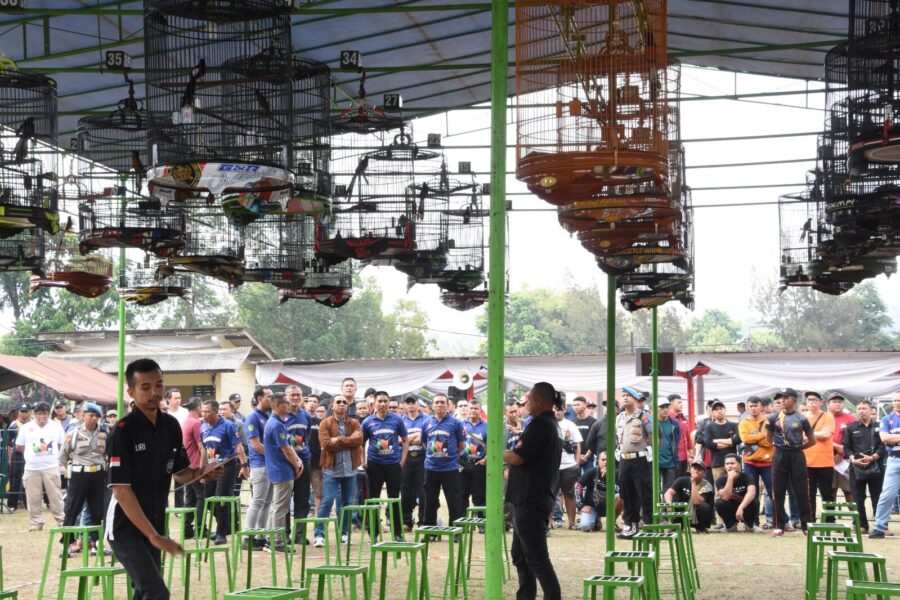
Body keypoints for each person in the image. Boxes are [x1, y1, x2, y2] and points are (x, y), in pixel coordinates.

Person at [106, 358, 222, 600]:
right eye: (145, 387)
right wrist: (152, 536)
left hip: (156, 521)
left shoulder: (171, 426)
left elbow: (180, 474)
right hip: (125, 527)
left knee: (145, 593)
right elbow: (121, 491)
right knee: (156, 592)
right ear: (131, 392)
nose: (154, 392)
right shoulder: (123, 430)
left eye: (158, 385)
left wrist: (203, 472)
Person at [503, 382, 563, 600]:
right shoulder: (547, 424)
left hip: (531, 499)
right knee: (520, 555)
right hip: (529, 498)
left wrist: (497, 451)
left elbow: (517, 457)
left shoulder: (540, 425)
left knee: (537, 558)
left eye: (527, 400)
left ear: (538, 400)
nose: (524, 405)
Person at [59, 402, 109, 553]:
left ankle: (95, 543)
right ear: (83, 415)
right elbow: (63, 456)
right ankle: (67, 543)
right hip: (80, 475)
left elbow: (108, 453)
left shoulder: (105, 433)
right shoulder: (73, 434)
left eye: (96, 416)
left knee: (98, 511)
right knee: (72, 509)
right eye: (91, 415)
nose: (94, 419)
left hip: (98, 475)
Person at [315, 393, 363, 546]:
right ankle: (319, 535)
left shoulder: (354, 422)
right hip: (331, 469)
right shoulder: (325, 423)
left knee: (347, 503)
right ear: (332, 405)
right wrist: (349, 441)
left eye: (344, 402)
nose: (342, 404)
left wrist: (340, 439)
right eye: (338, 402)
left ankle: (344, 534)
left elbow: (359, 440)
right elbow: (327, 444)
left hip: (350, 469)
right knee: (327, 501)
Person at [767, 387, 815, 536]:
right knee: (778, 491)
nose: (782, 400)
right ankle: (779, 525)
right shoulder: (773, 417)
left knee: (801, 491)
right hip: (779, 455)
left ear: (794, 399)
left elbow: (812, 440)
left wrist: (798, 448)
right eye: (781, 397)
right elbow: (768, 438)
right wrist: (779, 446)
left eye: (786, 397)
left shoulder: (801, 418)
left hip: (797, 456)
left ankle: (806, 526)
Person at [199, 399, 249, 545]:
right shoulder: (202, 427)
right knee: (207, 499)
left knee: (221, 499)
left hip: (226, 466)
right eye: (203, 411)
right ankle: (225, 525)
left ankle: (221, 533)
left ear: (215, 412)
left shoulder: (228, 426)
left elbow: (238, 447)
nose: (204, 414)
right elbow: (203, 449)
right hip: (210, 468)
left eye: (207, 411)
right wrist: (202, 471)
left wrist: (244, 465)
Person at [362, 390, 409, 539]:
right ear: (374, 403)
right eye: (379, 401)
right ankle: (373, 533)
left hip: (393, 465)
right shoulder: (367, 422)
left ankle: (397, 533)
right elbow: (361, 443)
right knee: (373, 499)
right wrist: (362, 461)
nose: (382, 404)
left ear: (389, 403)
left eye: (385, 401)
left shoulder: (397, 419)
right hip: (374, 465)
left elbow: (405, 440)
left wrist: (402, 461)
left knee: (394, 499)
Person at [16, 401, 65, 531]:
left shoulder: (56, 426)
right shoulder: (26, 427)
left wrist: (56, 459)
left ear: (48, 414)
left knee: (55, 495)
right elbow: (20, 446)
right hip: (32, 468)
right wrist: (31, 455)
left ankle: (61, 521)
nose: (42, 416)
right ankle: (36, 523)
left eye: (44, 413)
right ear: (34, 414)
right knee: (33, 497)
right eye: (39, 413)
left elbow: (61, 445)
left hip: (51, 466)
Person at [263, 393, 303, 552]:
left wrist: (297, 459)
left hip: (276, 470)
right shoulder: (277, 424)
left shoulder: (274, 422)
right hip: (282, 470)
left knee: (276, 507)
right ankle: (277, 542)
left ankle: (269, 539)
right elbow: (286, 449)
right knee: (280, 508)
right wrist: (296, 466)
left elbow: (288, 447)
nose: (289, 405)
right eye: (286, 403)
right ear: (279, 405)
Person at [422, 394, 466, 528]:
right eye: (437, 402)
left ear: (448, 405)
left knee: (454, 501)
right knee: (430, 501)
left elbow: (461, 444)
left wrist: (453, 456)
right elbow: (425, 443)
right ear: (432, 406)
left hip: (450, 468)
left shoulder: (456, 423)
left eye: (442, 402)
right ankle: (430, 529)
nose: (439, 405)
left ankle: (456, 529)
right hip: (431, 468)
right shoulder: (426, 422)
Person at [842, 399, 884, 535]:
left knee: (878, 496)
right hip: (856, 467)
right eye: (859, 408)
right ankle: (861, 525)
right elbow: (846, 447)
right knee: (857, 497)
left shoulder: (879, 426)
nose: (861, 411)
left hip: (876, 466)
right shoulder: (850, 427)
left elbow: (883, 446)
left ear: (871, 410)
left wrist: (873, 457)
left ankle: (880, 525)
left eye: (864, 408)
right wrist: (853, 460)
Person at [615, 386, 653, 538]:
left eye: (628, 396)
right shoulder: (619, 417)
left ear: (636, 399)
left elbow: (655, 435)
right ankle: (631, 525)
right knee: (626, 494)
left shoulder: (644, 416)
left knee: (644, 493)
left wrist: (650, 451)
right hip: (624, 459)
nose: (625, 398)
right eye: (623, 395)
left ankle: (649, 525)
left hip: (640, 459)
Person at [738, 396, 775, 530]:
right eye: (751, 406)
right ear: (747, 407)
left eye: (756, 406)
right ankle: (753, 522)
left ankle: (778, 521)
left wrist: (756, 439)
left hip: (768, 462)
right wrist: (761, 436)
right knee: (751, 493)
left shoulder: (769, 421)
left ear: (761, 407)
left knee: (773, 492)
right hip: (750, 463)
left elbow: (769, 441)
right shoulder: (743, 422)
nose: (753, 408)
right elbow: (745, 438)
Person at [244, 387, 273, 549]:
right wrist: (274, 456)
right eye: (269, 396)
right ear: (260, 398)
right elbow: (255, 445)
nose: (272, 399)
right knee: (257, 501)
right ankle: (248, 537)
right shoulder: (253, 417)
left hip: (270, 465)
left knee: (267, 502)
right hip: (260, 465)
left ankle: (260, 536)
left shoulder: (268, 416)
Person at [284, 385, 312, 544]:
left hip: (304, 460)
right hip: (287, 463)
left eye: (298, 395)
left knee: (303, 499)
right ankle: (285, 533)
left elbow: (306, 435)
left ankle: (299, 534)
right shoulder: (282, 416)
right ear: (286, 396)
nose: (295, 398)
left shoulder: (306, 416)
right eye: (292, 395)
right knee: (285, 499)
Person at [870, 391, 900, 539]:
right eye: (894, 400)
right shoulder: (887, 419)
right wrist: (891, 439)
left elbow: (890, 438)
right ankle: (879, 527)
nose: (896, 403)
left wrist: (894, 439)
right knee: (887, 495)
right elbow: (884, 438)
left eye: (899, 400)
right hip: (894, 460)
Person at [803, 391, 836, 522]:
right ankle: (810, 520)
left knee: (827, 493)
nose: (811, 402)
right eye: (809, 400)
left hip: (825, 462)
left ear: (821, 402)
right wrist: (818, 433)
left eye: (815, 399)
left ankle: (829, 520)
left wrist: (808, 434)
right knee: (809, 494)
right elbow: (799, 436)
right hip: (807, 461)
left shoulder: (828, 416)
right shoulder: (802, 417)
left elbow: (827, 435)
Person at [574, 451, 623, 532]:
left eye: (608, 460)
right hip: (592, 506)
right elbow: (577, 487)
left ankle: (612, 522)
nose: (605, 462)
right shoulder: (591, 472)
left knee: (621, 496)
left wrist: (608, 477)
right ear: (598, 461)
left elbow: (625, 491)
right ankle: (596, 521)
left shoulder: (618, 473)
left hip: (610, 506)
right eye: (603, 460)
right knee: (585, 526)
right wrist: (581, 506)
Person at [552, 402, 582, 529]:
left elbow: (578, 444)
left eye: (559, 409)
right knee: (550, 494)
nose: (557, 412)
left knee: (569, 494)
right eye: (555, 409)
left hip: (569, 465)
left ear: (565, 410)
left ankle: (572, 523)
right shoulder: (548, 424)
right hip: (552, 466)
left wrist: (577, 463)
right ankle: (549, 523)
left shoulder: (571, 425)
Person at [180, 397, 206, 539]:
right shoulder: (196, 423)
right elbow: (202, 447)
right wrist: (202, 470)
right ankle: (201, 528)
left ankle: (186, 528)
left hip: (187, 466)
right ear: (198, 407)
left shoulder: (185, 422)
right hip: (195, 466)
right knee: (201, 497)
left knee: (189, 498)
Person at [401, 395, 428, 532]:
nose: (411, 405)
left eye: (413, 402)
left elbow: (423, 439)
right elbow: (399, 440)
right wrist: (412, 438)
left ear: (418, 404)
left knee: (423, 490)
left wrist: (407, 439)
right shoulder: (401, 420)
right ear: (405, 405)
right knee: (405, 490)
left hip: (422, 458)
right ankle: (406, 521)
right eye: (408, 403)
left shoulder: (426, 419)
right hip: (406, 458)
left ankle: (423, 520)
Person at [665, 461, 715, 533]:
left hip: (697, 515)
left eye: (699, 469)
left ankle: (700, 527)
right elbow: (668, 493)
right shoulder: (681, 480)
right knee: (671, 502)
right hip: (683, 512)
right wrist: (669, 504)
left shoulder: (707, 485)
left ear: (704, 474)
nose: (696, 471)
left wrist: (693, 482)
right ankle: (677, 525)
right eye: (694, 468)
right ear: (690, 470)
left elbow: (697, 501)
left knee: (704, 506)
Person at [714, 453, 758, 532]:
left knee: (754, 501)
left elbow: (752, 493)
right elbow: (725, 497)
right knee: (719, 503)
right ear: (724, 466)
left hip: (744, 507)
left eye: (732, 463)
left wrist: (741, 508)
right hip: (731, 508)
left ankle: (749, 526)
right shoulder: (720, 480)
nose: (729, 466)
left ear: (739, 464)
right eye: (727, 464)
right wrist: (730, 478)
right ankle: (731, 526)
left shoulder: (747, 476)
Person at [700, 400, 740, 484]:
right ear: (712, 413)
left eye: (721, 408)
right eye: (716, 409)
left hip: (733, 463)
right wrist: (730, 443)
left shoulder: (733, 425)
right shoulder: (709, 427)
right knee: (719, 492)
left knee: (736, 490)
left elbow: (737, 440)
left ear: (725, 410)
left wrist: (717, 440)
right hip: (717, 463)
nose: (719, 411)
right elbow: (709, 443)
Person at [460, 398, 487, 516]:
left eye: (476, 408)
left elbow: (491, 445)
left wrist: (485, 459)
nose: (473, 411)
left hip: (479, 463)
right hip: (463, 463)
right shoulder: (460, 425)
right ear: (467, 410)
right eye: (471, 408)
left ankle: (480, 521)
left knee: (479, 494)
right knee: (462, 494)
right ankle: (462, 521)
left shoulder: (487, 426)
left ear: (480, 410)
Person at [828, 393, 856, 504]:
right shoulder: (824, 418)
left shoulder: (851, 419)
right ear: (828, 404)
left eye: (840, 402)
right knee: (830, 490)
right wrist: (835, 447)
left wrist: (842, 452)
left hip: (846, 460)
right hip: (827, 459)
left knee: (849, 490)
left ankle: (855, 519)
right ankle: (831, 519)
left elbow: (854, 439)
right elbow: (820, 438)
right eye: (834, 402)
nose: (838, 404)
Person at [6, 404, 31, 511]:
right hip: (17, 455)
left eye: (26, 411)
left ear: (29, 412)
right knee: (14, 479)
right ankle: (12, 504)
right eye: (22, 411)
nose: (24, 414)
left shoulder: (32, 424)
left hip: (30, 454)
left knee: (29, 479)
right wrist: (10, 455)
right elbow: (8, 441)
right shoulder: (13, 425)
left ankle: (28, 504)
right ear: (18, 412)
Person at [657, 399, 681, 492]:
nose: (665, 409)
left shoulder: (674, 423)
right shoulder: (651, 422)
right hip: (655, 461)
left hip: (670, 461)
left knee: (669, 490)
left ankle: (668, 507)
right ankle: (655, 507)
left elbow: (677, 440)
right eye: (662, 407)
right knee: (655, 489)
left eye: (667, 407)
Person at [570, 396, 596, 471]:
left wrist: (587, 456)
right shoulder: (571, 423)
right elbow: (570, 441)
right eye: (574, 405)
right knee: (574, 482)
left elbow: (594, 441)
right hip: (574, 458)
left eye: (578, 405)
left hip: (589, 458)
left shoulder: (594, 422)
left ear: (585, 405)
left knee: (589, 481)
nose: (576, 407)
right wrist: (577, 455)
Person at [669, 394, 692, 476]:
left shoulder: (683, 418)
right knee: (674, 484)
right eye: (679, 402)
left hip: (685, 457)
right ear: (671, 404)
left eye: (681, 402)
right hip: (673, 458)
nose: (681, 404)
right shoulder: (668, 419)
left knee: (684, 483)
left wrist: (691, 455)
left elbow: (688, 438)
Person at [309, 404, 326, 514]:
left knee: (322, 493)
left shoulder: (329, 423)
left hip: (325, 463)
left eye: (322, 411)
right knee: (317, 492)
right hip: (311, 462)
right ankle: (317, 517)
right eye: (318, 411)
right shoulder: (310, 422)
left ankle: (320, 516)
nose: (320, 413)